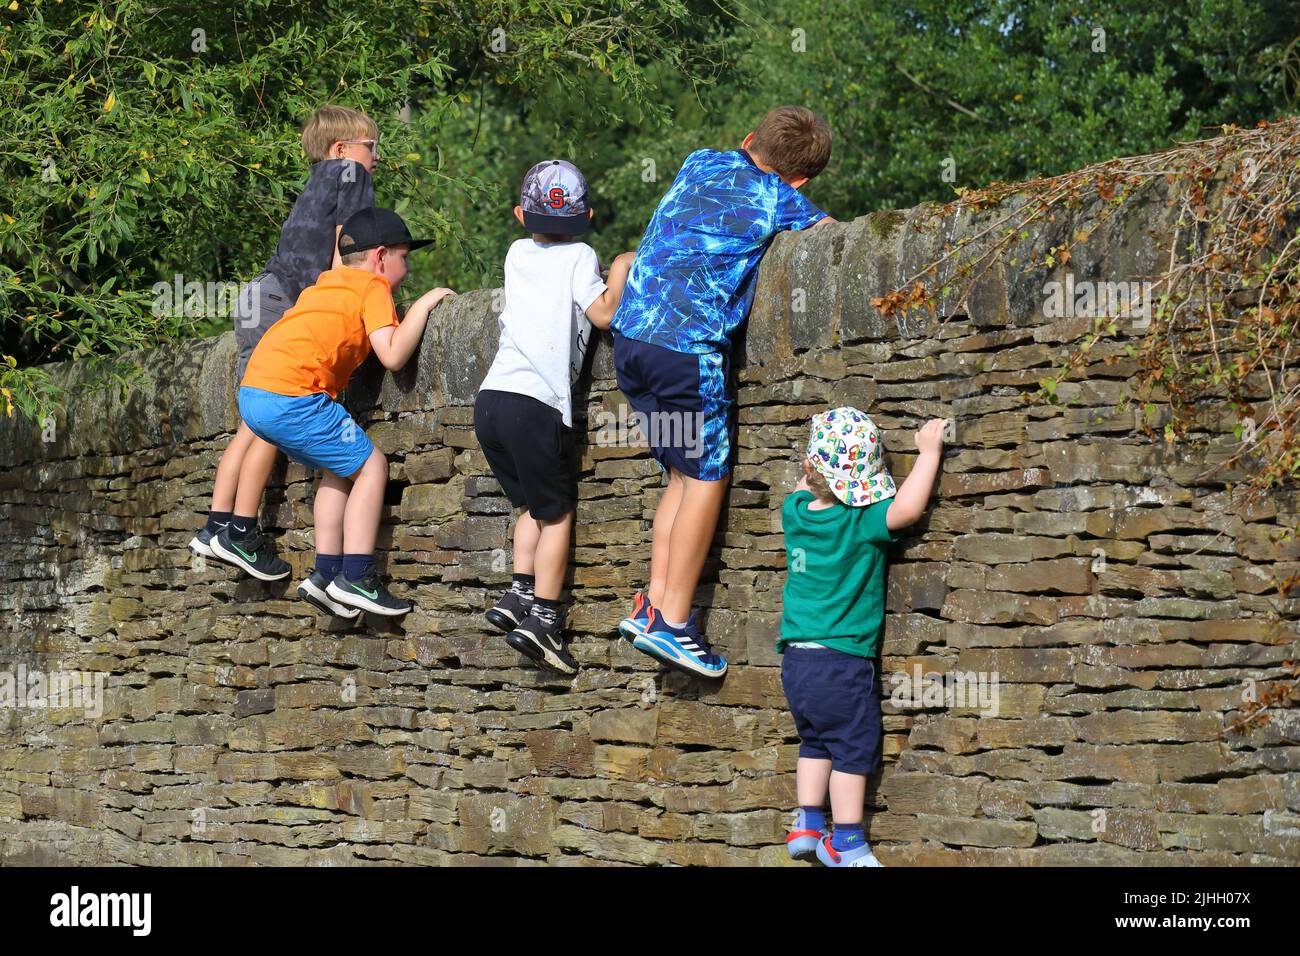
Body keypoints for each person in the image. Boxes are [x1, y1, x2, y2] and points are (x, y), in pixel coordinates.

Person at [612, 106, 837, 678]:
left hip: (634, 341)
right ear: (801, 179)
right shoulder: (780, 197)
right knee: (708, 477)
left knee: (681, 476)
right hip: (687, 350)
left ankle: (654, 603)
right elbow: (832, 236)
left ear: (745, 138)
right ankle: (676, 622)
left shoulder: (700, 161)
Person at [189, 105, 379, 580]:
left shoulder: (316, 181)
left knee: (253, 416)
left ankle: (216, 524)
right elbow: (346, 248)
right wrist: (352, 298)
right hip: (283, 303)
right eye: (372, 147)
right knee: (267, 419)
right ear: (343, 150)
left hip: (259, 294)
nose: (376, 158)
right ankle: (241, 530)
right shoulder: (351, 174)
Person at [236, 207, 454, 617]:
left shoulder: (326, 282)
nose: (406, 270)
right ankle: (357, 577)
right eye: (404, 258)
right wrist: (425, 305)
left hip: (255, 394)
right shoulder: (373, 287)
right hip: (295, 397)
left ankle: (326, 575)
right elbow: (391, 355)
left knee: (340, 467)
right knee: (372, 467)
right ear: (380, 256)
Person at [476, 159, 634, 674]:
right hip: (535, 404)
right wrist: (622, 267)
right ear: (586, 214)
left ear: (522, 215)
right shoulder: (581, 255)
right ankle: (544, 619)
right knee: (557, 513)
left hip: (492, 399)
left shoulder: (516, 251)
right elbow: (604, 313)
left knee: (529, 507)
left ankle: (518, 595)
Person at [780, 407, 946, 867]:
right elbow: (909, 508)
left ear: (809, 468)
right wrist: (928, 453)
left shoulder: (794, 514)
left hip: (795, 663)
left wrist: (813, 467)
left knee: (815, 742)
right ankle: (846, 838)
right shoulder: (861, 522)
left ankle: (808, 823)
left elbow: (802, 486)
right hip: (842, 660)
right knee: (853, 746)